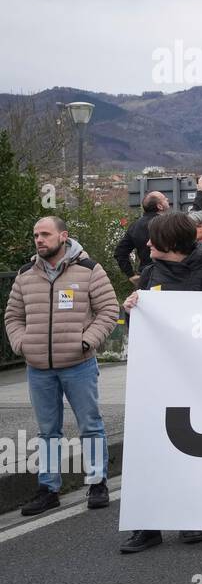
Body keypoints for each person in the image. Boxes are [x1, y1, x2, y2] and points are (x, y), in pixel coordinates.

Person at [118, 210, 202, 552]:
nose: (147, 243)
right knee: (147, 453)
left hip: (195, 382)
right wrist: (130, 309)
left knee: (189, 453)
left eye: (154, 238)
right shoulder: (150, 273)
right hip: (154, 379)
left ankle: (190, 516)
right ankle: (146, 526)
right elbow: (139, 328)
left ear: (172, 242)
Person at [5, 217, 119, 517]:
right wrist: (22, 345)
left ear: (63, 236)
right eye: (35, 235)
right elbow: (13, 317)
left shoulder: (89, 269)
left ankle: (97, 483)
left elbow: (108, 310)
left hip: (79, 365)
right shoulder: (25, 275)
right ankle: (48, 489)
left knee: (91, 426)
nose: (39, 239)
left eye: (45, 234)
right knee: (47, 432)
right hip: (38, 367)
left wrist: (86, 341)